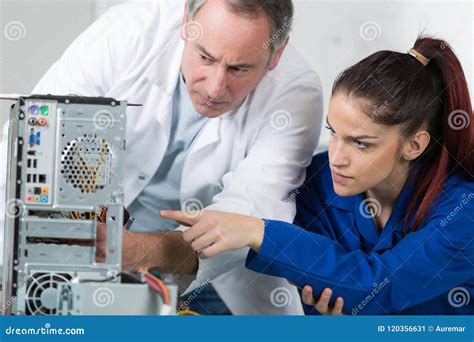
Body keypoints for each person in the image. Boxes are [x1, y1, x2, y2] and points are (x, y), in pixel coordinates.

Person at [0, 0, 323, 315]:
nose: (214, 88)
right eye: (205, 57)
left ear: (275, 55)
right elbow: (26, 150)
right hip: (79, 255)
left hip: (214, 278)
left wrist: (140, 250)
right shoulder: (127, 33)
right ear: (187, 22)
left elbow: (248, 221)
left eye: (239, 68)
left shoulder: (295, 93)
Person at [161, 36, 474, 315]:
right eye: (333, 133)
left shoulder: (463, 211)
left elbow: (378, 286)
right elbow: (327, 294)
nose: (337, 157)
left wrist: (259, 231)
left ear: (414, 145)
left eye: (360, 143)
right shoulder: (317, 182)